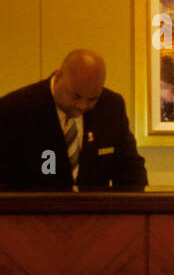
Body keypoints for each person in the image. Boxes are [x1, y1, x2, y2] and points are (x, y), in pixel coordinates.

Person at [0, 49, 147, 190]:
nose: (82, 106)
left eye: (92, 99)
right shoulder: (14, 109)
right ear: (58, 77)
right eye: (76, 96)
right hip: (32, 212)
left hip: (95, 213)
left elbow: (131, 169)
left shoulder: (111, 106)